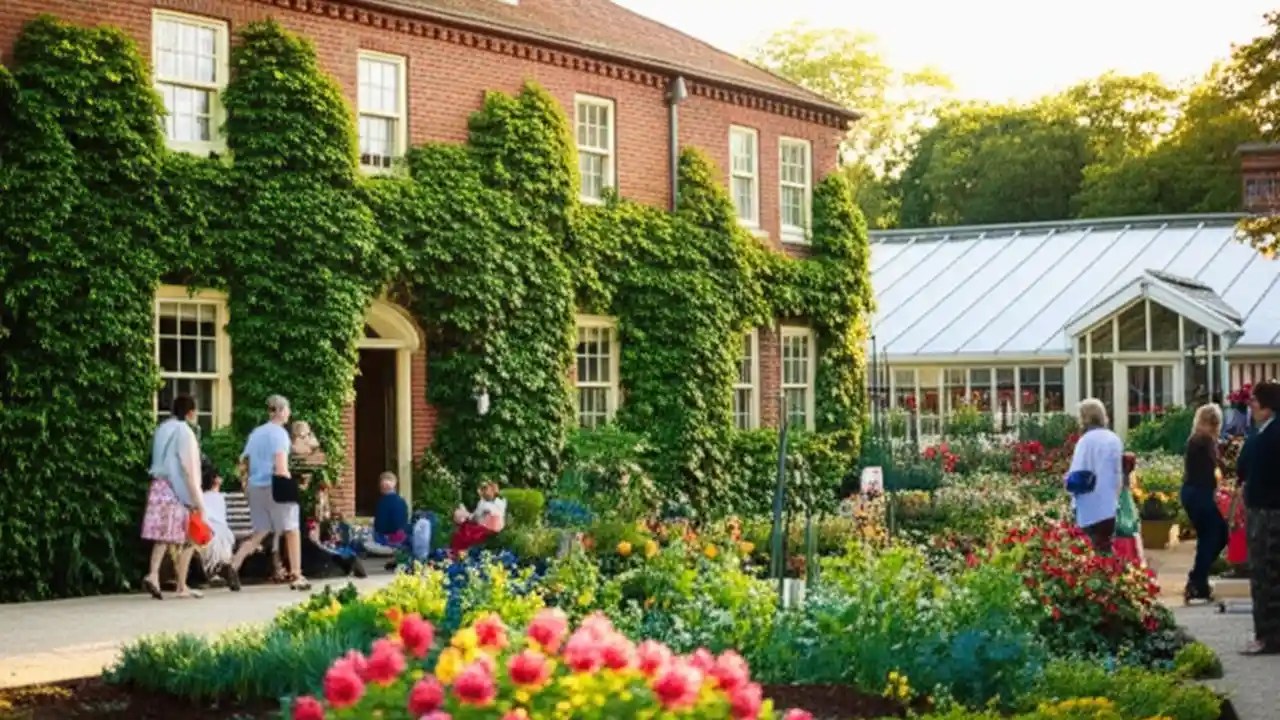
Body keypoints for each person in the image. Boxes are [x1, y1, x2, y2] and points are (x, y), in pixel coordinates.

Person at [228, 395, 310, 591]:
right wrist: (291, 484)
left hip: (255, 486)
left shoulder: (256, 433)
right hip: (275, 485)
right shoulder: (280, 434)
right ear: (280, 411)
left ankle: (234, 564)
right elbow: (281, 466)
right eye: (288, 409)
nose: (289, 414)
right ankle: (297, 574)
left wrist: (247, 485)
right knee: (292, 529)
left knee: (261, 531)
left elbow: (244, 462)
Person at [141, 395, 205, 600]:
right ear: (190, 412)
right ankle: (181, 585)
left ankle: (153, 574)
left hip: (158, 485)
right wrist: (196, 499)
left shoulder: (163, 428)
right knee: (189, 537)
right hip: (176, 489)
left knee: (163, 535)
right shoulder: (184, 432)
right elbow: (187, 468)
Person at [1239, 381, 1280, 655]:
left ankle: (1268, 636)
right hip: (1267, 508)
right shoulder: (1264, 431)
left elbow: (1244, 465)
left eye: (1254, 401)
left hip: (1267, 512)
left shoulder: (1266, 435)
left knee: (1265, 574)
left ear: (1267, 405)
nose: (1250, 406)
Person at [1182, 403, 1229, 602]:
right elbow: (1213, 468)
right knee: (1215, 534)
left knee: (1210, 537)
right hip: (1199, 493)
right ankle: (1197, 581)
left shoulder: (1198, 440)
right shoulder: (1203, 441)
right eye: (1212, 423)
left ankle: (1198, 579)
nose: (1214, 427)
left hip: (1193, 493)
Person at [1066, 398, 1124, 554]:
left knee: (1089, 552)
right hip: (1109, 505)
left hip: (1088, 507)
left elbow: (1077, 473)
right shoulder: (1114, 439)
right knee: (1105, 548)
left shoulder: (1085, 441)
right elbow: (1118, 474)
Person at [199, 459, 237, 588]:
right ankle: (224, 567)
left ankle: (213, 573)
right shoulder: (220, 498)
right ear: (216, 481)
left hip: (206, 531)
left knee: (211, 541)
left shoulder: (200, 497)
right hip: (222, 532)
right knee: (222, 540)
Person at [365, 472, 410, 569]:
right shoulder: (401, 501)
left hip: (385, 539)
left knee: (364, 540)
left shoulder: (382, 502)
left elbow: (380, 525)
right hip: (401, 538)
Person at [450, 481, 507, 554]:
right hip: (485, 525)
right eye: (483, 490)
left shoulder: (496, 503)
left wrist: (468, 516)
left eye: (486, 490)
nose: (484, 492)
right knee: (464, 527)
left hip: (487, 528)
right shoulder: (485, 502)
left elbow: (477, 518)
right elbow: (476, 516)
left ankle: (459, 551)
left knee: (466, 530)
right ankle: (457, 551)